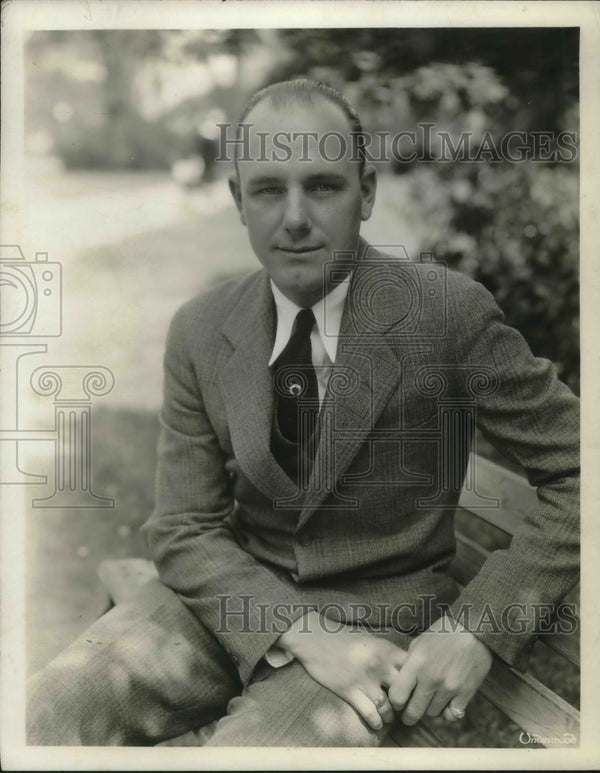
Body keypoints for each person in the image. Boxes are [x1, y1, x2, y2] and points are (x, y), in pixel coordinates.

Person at [26, 79, 580, 747]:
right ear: (238, 201)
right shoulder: (202, 328)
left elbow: (582, 467)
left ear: (366, 192)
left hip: (375, 628)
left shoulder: (445, 314)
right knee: (41, 711)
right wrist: (303, 631)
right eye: (267, 189)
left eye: (322, 186)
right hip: (225, 603)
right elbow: (182, 525)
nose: (294, 217)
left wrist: (477, 627)